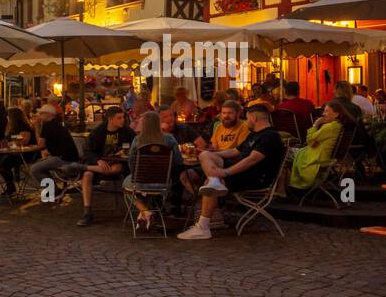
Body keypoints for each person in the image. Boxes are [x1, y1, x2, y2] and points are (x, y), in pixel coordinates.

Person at [177, 105, 286, 240]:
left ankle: (203, 227)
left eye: (247, 119)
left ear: (254, 117)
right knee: (205, 155)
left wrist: (225, 173)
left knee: (210, 185)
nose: (246, 122)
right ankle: (214, 181)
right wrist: (213, 152)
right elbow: (235, 151)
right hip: (242, 170)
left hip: (255, 176)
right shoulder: (255, 134)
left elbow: (252, 160)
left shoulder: (270, 136)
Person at [124, 106, 183, 231]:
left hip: (140, 182)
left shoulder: (137, 140)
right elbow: (179, 161)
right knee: (146, 188)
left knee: (125, 186)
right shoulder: (169, 139)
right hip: (164, 183)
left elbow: (130, 162)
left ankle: (145, 211)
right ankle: (146, 213)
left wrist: (136, 174)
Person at [77, 107, 135, 226]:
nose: (123, 120)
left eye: (123, 117)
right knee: (87, 176)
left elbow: (134, 147)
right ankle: (87, 212)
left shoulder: (127, 132)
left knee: (117, 168)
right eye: (119, 118)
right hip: (98, 163)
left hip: (117, 164)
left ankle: (82, 167)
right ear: (110, 119)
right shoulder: (98, 132)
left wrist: (124, 153)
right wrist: (97, 160)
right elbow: (87, 150)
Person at [290, 100, 352, 191]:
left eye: (326, 111)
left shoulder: (329, 127)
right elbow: (312, 141)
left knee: (283, 153)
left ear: (336, 114)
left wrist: (316, 124)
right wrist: (313, 141)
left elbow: (309, 140)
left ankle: (286, 189)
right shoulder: (337, 126)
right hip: (324, 156)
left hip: (317, 158)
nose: (323, 114)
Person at [27, 103, 81, 191]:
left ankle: (53, 191)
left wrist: (37, 126)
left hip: (63, 159)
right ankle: (53, 190)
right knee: (40, 164)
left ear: (49, 114)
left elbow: (40, 145)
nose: (39, 115)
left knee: (34, 169)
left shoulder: (48, 125)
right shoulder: (56, 124)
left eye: (42, 113)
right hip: (70, 157)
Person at [0, 106, 37, 197]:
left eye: (8, 116)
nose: (7, 118)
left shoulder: (24, 126)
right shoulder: (11, 127)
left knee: (3, 163)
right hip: (13, 153)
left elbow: (24, 141)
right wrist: (5, 142)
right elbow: (8, 141)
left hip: (26, 154)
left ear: (13, 117)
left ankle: (11, 187)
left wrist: (10, 143)